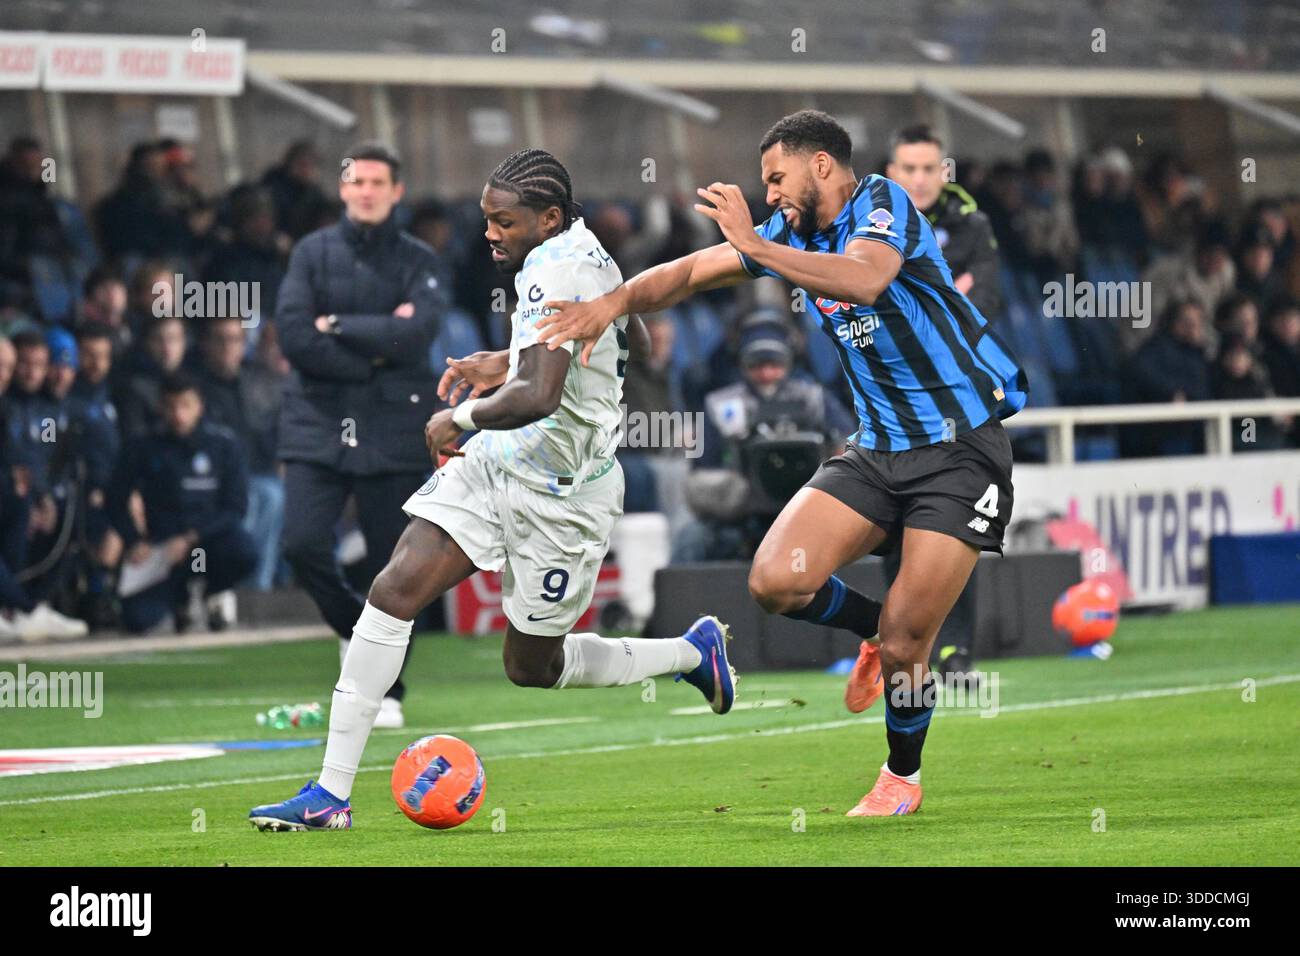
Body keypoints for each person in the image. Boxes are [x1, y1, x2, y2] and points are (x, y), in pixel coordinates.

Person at [536, 111, 1027, 816]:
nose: (769, 194)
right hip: (877, 447)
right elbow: (688, 273)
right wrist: (609, 304)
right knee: (775, 581)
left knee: (910, 642)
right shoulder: (788, 236)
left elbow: (863, 280)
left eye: (775, 176)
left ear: (821, 164)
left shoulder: (882, 201)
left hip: (959, 454)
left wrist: (752, 246)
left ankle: (901, 777)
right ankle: (870, 630)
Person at [248, 148, 734, 832]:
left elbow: (537, 397)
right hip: (501, 463)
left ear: (549, 217)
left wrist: (460, 416)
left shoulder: (560, 266)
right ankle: (329, 794)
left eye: (504, 221)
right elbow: (636, 343)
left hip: (566, 496)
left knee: (531, 666)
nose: (490, 233)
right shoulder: (579, 252)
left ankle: (690, 653)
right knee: (393, 590)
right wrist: (516, 355)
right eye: (486, 219)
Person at [275, 141, 443, 730]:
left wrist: (340, 326)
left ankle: (388, 691)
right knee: (301, 544)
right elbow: (295, 337)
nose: (367, 190)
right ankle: (357, 633)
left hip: (394, 424)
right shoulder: (311, 253)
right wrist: (371, 354)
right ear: (343, 189)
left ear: (396, 191)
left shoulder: (420, 258)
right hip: (317, 421)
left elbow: (416, 336)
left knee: (396, 564)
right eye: (357, 181)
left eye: (378, 182)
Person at [884, 124, 1005, 681]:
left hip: (955, 403)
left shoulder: (972, 225)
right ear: (892, 173)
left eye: (928, 169)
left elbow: (980, 306)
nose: (919, 179)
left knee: (956, 528)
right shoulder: (871, 222)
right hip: (887, 397)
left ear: (944, 172)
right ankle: (898, 648)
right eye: (908, 169)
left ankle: (956, 654)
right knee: (893, 526)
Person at [106, 372, 257, 634]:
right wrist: (134, 540)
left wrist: (191, 537)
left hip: (207, 544)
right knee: (137, 620)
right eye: (171, 406)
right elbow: (114, 500)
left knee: (243, 550)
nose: (178, 414)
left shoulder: (223, 446)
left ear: (199, 406)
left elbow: (235, 508)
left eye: (185, 405)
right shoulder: (143, 447)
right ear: (160, 407)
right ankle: (179, 601)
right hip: (161, 550)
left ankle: (214, 590)